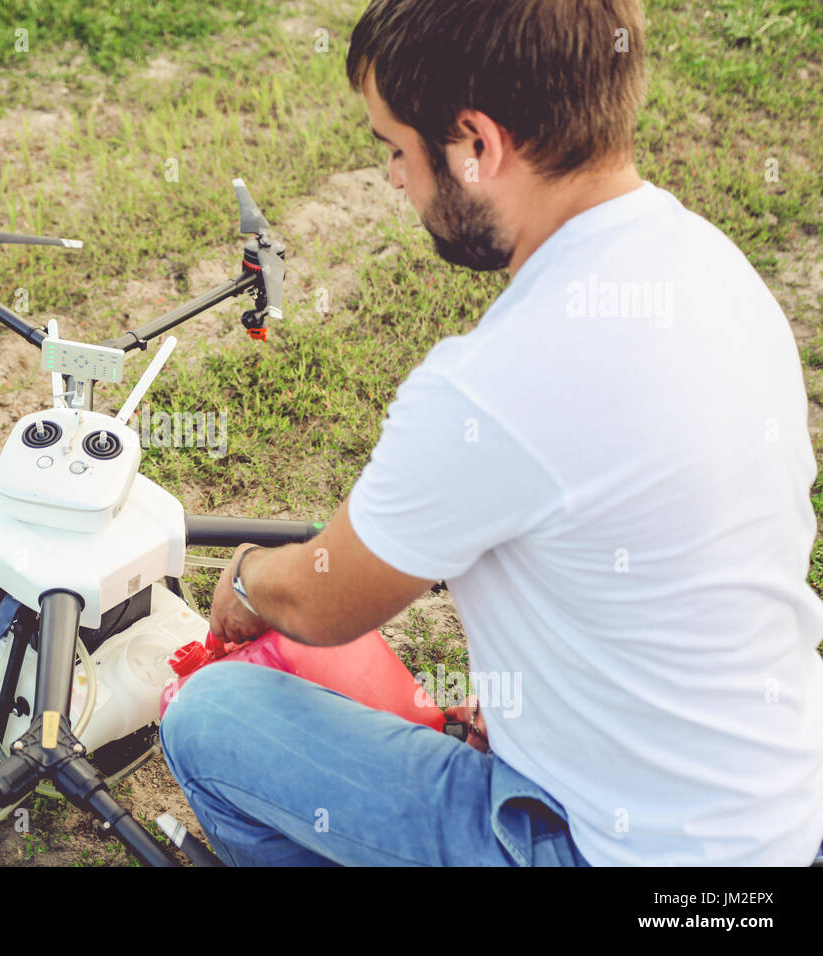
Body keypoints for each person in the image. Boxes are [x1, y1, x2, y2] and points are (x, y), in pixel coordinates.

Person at [158, 0, 823, 866]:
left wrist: (246, 584)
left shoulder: (494, 386)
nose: (396, 178)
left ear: (476, 144)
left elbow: (320, 601)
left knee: (214, 721)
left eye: (396, 148)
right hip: (775, 816)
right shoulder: (713, 268)